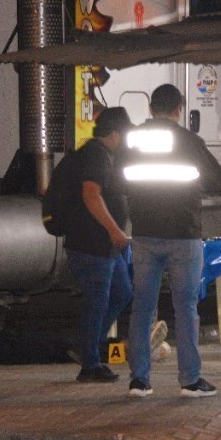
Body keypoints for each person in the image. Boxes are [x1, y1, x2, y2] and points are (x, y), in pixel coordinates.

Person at [121, 84, 221, 398]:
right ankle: (190, 380)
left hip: (144, 233)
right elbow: (216, 180)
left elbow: (117, 178)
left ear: (151, 108)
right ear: (178, 109)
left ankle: (139, 381)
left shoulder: (134, 139)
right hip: (182, 233)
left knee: (142, 308)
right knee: (186, 307)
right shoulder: (188, 141)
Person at [64, 106, 134, 383]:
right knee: (98, 300)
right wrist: (115, 230)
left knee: (121, 292)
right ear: (115, 134)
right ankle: (90, 363)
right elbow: (91, 195)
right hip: (92, 245)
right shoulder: (96, 156)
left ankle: (88, 346)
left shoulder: (100, 154)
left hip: (104, 246)